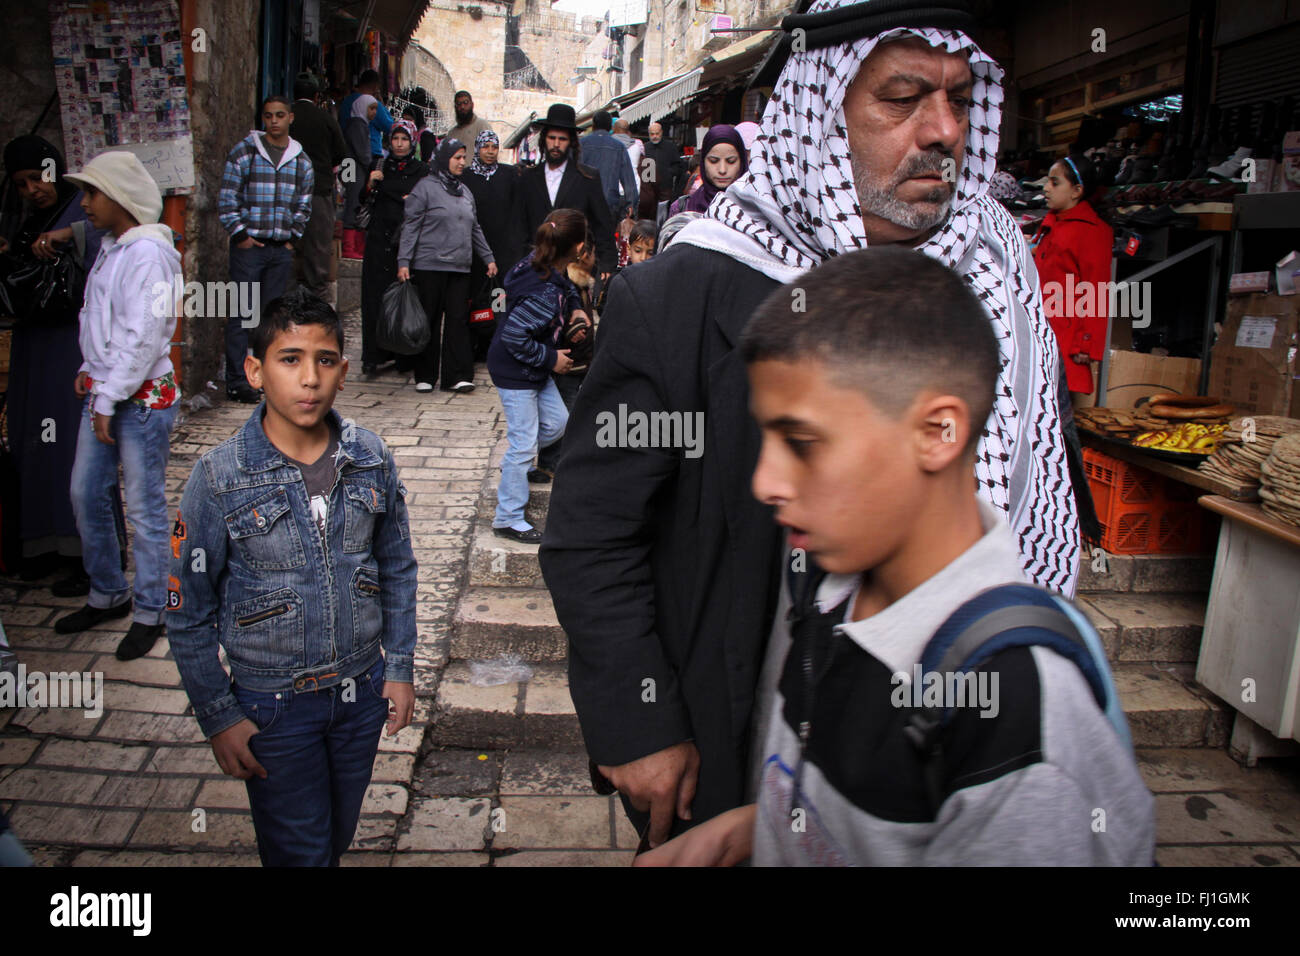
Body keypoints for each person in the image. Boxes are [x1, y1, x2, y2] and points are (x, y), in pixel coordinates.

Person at [539, 0, 1081, 850]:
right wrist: (637, 720)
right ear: (821, 114)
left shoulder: (1001, 275)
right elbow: (592, 532)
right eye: (902, 99)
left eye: (960, 100)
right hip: (735, 752)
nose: (943, 130)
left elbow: (1041, 491)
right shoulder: (682, 298)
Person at [637, 247, 1154, 867]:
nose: (766, 482)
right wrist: (754, 830)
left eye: (801, 443)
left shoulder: (1014, 711)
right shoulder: (826, 591)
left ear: (938, 433)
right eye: (765, 437)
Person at [167, 291, 417, 867]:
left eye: (325, 360)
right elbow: (187, 609)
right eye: (290, 359)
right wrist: (218, 714)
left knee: (334, 835)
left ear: (344, 372)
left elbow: (397, 568)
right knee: (300, 851)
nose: (309, 379)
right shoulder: (219, 477)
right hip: (273, 705)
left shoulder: (370, 457)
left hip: (361, 695)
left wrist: (399, 668)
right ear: (255, 370)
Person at [54, 151, 181, 662]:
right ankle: (108, 591)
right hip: (107, 392)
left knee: (145, 507)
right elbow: (104, 324)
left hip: (140, 400)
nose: (84, 204)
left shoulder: (148, 255)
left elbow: (144, 336)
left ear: (121, 200)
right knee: (86, 492)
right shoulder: (114, 247)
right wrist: (95, 376)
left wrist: (107, 397)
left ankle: (152, 609)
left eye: (93, 193)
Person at [0, 134, 111, 593]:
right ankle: (40, 546)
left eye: (38, 178)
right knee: (33, 441)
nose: (33, 191)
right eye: (22, 184)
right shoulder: (27, 218)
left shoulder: (80, 209)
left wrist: (69, 235)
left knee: (68, 446)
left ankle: (83, 555)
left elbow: (120, 231)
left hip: (69, 346)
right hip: (32, 344)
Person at [488, 210, 588, 543]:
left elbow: (564, 285)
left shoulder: (540, 263)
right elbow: (513, 338)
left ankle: (518, 463)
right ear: (575, 247)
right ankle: (508, 517)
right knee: (523, 442)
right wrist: (551, 359)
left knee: (557, 423)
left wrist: (574, 306)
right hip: (516, 371)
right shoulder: (543, 296)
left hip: (532, 370)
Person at [218, 95, 315, 402]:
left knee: (272, 319)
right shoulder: (244, 152)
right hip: (250, 247)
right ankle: (237, 380)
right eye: (269, 116)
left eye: (280, 115)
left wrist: (291, 238)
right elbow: (227, 197)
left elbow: (304, 203)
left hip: (279, 249)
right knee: (242, 314)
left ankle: (267, 379)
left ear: (290, 118)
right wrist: (241, 235)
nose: (274, 121)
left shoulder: (301, 160)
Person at [396, 138, 497, 393]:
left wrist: (488, 258)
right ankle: (425, 376)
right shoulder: (425, 189)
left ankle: (457, 376)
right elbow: (411, 226)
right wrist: (404, 261)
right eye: (457, 158)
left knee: (458, 321)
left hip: (460, 268)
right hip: (429, 266)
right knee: (429, 321)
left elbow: (475, 228)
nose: (462, 162)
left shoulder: (465, 192)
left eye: (464, 157)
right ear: (444, 159)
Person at [1032, 153, 1112, 396]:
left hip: (1066, 336)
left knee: (1056, 416)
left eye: (1055, 183)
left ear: (1077, 190)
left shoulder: (1093, 232)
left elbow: (1097, 290)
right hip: (1042, 331)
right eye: (1047, 181)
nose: (1046, 188)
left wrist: (1086, 343)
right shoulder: (1051, 225)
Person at [517, 104, 617, 278]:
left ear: (570, 141)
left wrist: (607, 263)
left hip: (573, 271)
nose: (556, 144)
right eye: (552, 138)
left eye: (562, 139)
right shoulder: (528, 178)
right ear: (544, 139)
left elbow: (602, 225)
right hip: (535, 268)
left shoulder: (587, 178)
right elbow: (518, 227)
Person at [359, 121, 426, 377]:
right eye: (395, 138)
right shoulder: (379, 166)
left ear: (412, 142)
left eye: (404, 139)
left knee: (403, 298)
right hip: (378, 240)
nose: (399, 144)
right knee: (375, 298)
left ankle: (403, 354)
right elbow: (361, 201)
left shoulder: (421, 171)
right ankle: (373, 355)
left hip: (406, 243)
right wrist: (369, 184)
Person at [463, 129, 524, 359]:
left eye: (494, 147)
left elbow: (516, 210)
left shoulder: (509, 175)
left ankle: (494, 341)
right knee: (474, 296)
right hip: (474, 248)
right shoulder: (467, 177)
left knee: (498, 296)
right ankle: (473, 342)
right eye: (485, 146)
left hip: (502, 249)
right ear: (478, 148)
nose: (490, 152)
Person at [290, 73, 348, 300]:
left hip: (288, 190)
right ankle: (316, 300)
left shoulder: (287, 118)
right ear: (316, 96)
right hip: (318, 189)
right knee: (317, 247)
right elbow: (342, 156)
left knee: (291, 245)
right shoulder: (326, 119)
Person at [669, 124, 748, 216]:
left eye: (731, 161)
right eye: (713, 161)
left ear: (741, 163)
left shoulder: (758, 209)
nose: (722, 170)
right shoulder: (682, 208)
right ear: (703, 162)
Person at [580, 111, 640, 224]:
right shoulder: (618, 147)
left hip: (584, 202)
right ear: (610, 127)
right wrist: (631, 203)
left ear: (593, 125)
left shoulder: (581, 144)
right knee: (606, 237)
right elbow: (628, 178)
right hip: (609, 202)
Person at [340, 94, 378, 261]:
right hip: (355, 170)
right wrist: (371, 168)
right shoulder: (358, 125)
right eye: (371, 108)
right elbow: (362, 152)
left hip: (353, 168)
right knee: (354, 203)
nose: (374, 113)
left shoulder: (358, 124)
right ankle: (349, 246)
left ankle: (354, 245)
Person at [339, 70, 394, 163]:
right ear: (375, 86)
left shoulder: (346, 101)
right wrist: (381, 104)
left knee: (349, 178)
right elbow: (390, 127)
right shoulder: (373, 104)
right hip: (370, 154)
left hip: (347, 154)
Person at [643, 121, 682, 212]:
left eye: (657, 133)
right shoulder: (645, 147)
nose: (655, 136)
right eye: (652, 134)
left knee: (665, 210)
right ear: (649, 134)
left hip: (665, 186)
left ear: (661, 132)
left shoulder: (670, 147)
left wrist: (669, 173)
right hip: (649, 187)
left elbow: (678, 165)